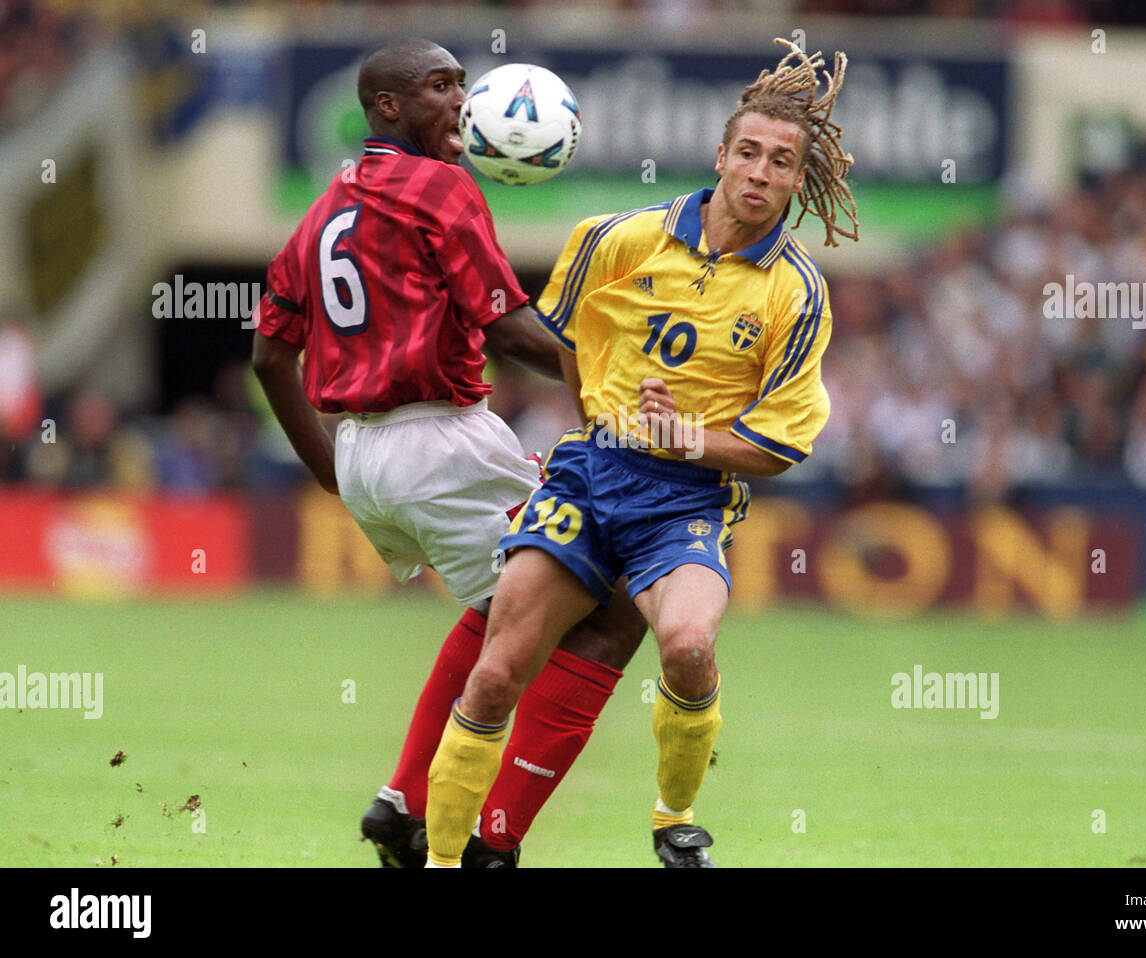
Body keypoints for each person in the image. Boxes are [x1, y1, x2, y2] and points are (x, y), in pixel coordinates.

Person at [423, 38, 859, 868]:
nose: (762, 173)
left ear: (800, 180)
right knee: (494, 675)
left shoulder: (797, 291)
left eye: (782, 162)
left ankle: (674, 816)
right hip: (588, 478)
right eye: (750, 154)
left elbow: (781, 443)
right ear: (721, 156)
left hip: (687, 499)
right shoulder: (617, 238)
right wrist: (604, 416)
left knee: (690, 648)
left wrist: (681, 436)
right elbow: (562, 338)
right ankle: (446, 862)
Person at [251, 37, 645, 868]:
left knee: (507, 604)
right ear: (387, 107)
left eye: (463, 82)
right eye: (439, 85)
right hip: (441, 440)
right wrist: (609, 380)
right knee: (613, 608)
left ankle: (404, 803)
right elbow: (506, 325)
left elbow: (268, 355)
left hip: (364, 454)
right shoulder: (439, 186)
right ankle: (488, 844)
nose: (461, 98)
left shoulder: (325, 207)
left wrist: (331, 469)